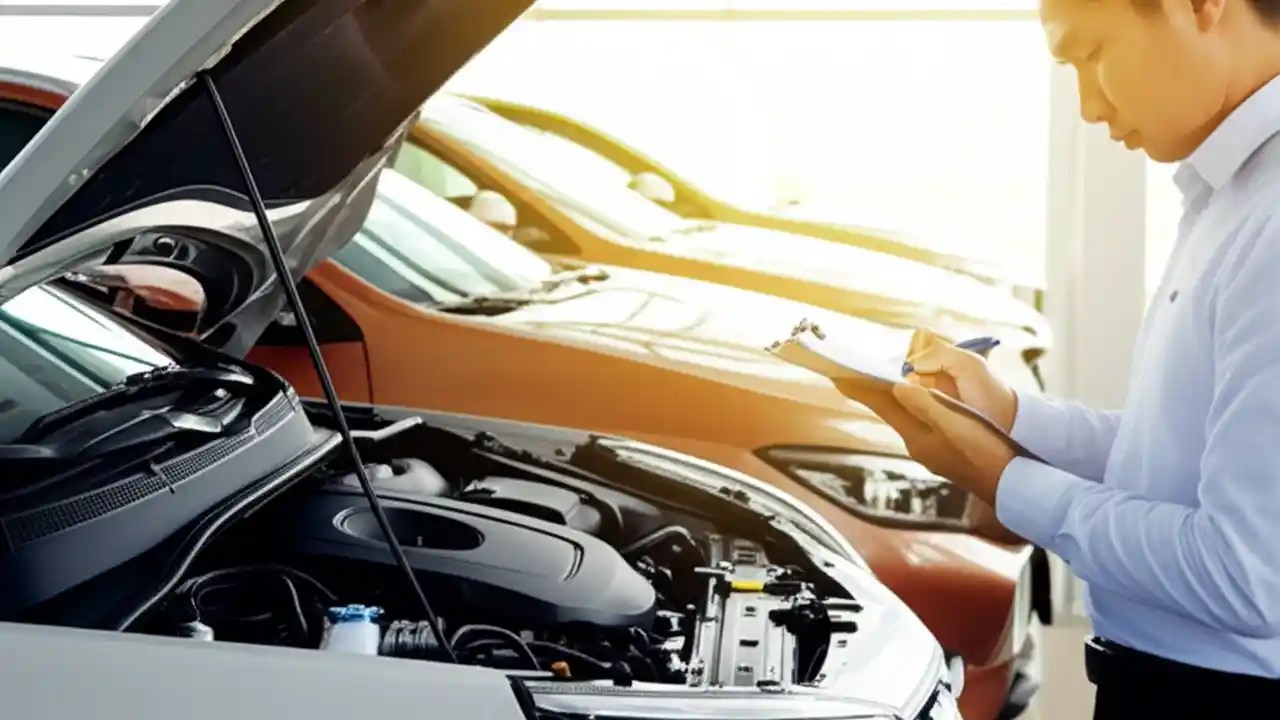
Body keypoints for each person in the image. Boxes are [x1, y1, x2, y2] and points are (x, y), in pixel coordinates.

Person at [881, 0, 1280, 716]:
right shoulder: (1235, 190)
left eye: (1092, 54)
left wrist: (1003, 479)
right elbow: (1180, 462)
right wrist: (1008, 415)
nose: (1091, 108)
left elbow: (1251, 577)